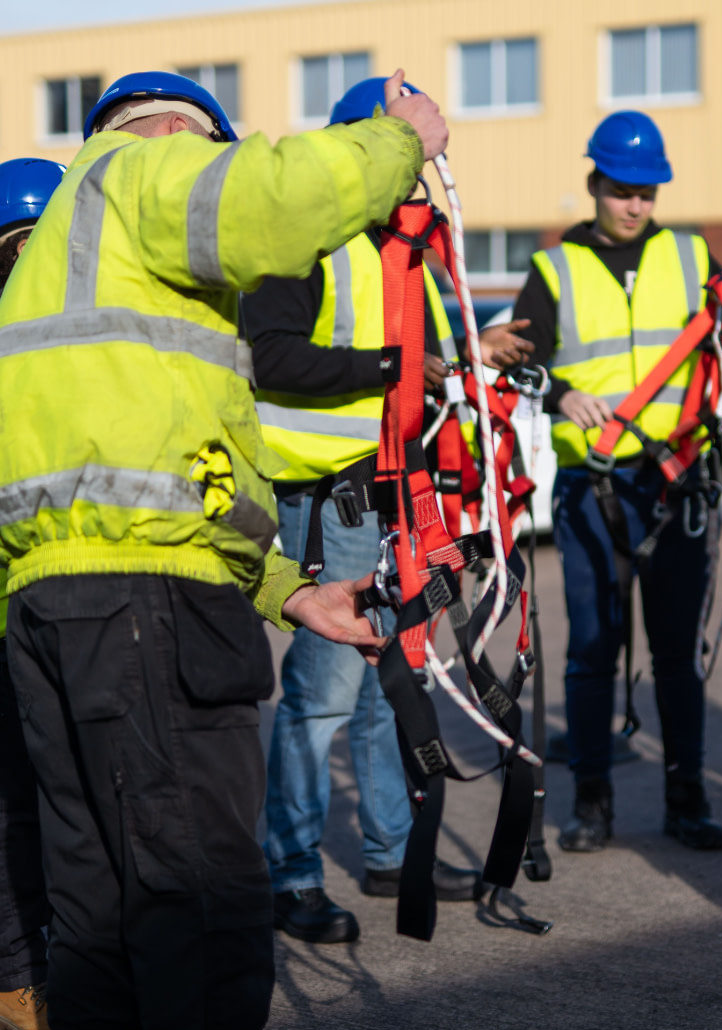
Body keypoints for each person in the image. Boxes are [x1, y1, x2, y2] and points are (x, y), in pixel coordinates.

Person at [0, 69, 446, 1030]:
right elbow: (275, 200)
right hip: (147, 608)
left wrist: (282, 587)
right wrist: (399, 143)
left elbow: (147, 480)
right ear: (176, 134)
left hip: (57, 609)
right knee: (200, 890)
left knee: (97, 894)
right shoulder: (138, 173)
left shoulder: (62, 270)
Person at [241, 76, 481, 947]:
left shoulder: (403, 249)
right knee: (324, 694)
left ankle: (388, 849)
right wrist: (386, 369)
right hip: (329, 491)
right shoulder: (302, 243)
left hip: (391, 494)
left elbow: (418, 371)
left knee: (392, 683)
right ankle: (293, 874)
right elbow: (268, 358)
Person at [505, 110, 722, 854]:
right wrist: (557, 395)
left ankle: (688, 799)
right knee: (592, 649)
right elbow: (526, 361)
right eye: (623, 190)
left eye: (648, 191)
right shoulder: (552, 269)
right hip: (593, 487)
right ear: (595, 184)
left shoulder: (691, 254)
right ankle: (592, 802)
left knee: (676, 651)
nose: (636, 204)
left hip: (675, 483)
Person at [0, 157, 65, 1030]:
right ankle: (17, 973)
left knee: (68, 800)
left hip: (70, 603)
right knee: (14, 798)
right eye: (14, 246)